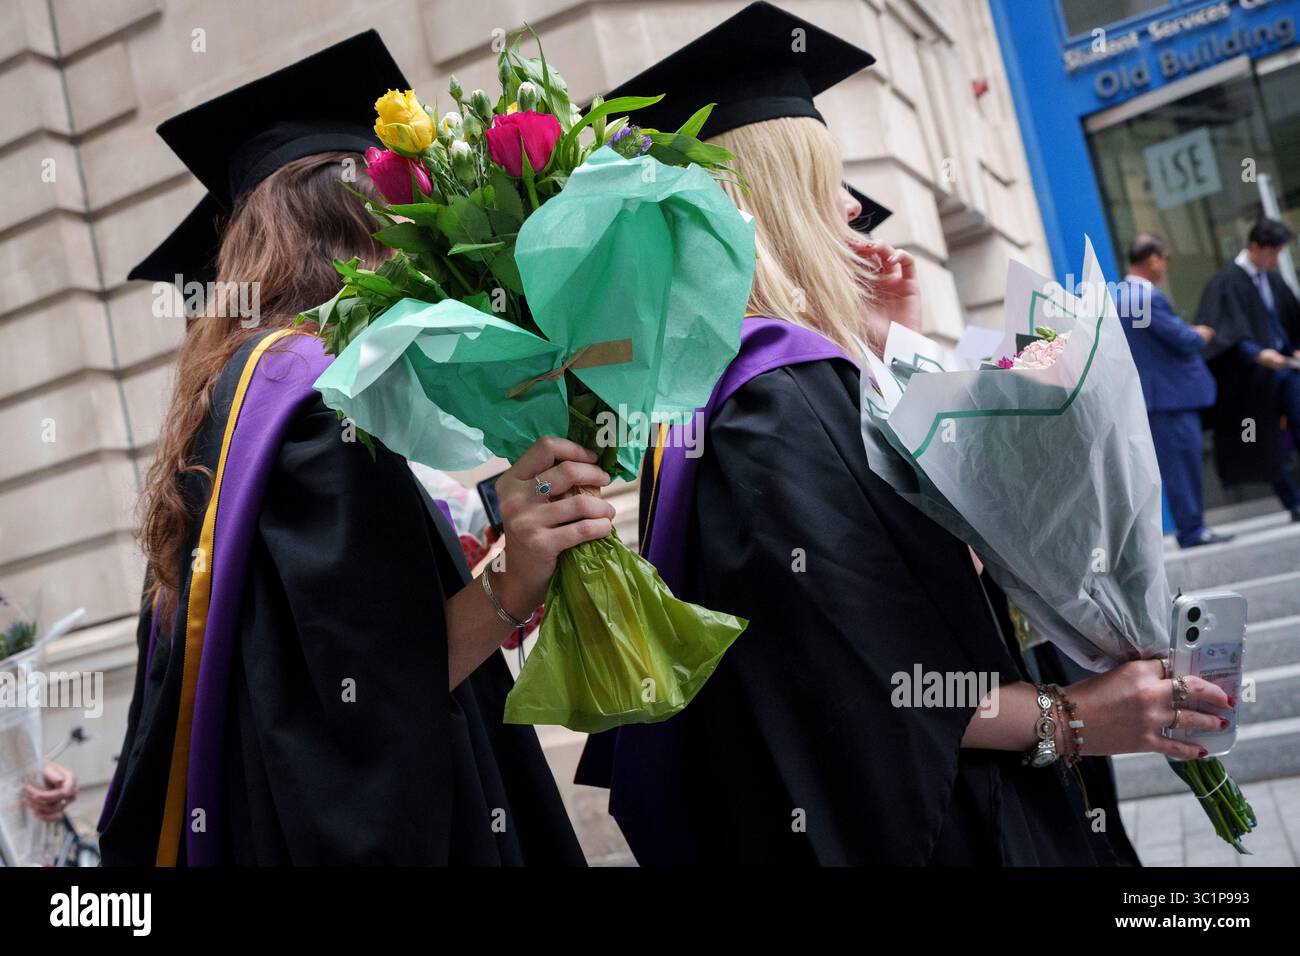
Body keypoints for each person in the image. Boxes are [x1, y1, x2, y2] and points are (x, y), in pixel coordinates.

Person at [576, 1, 1228, 866]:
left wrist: (891, 346)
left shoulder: (722, 396)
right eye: (822, 181)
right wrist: (1073, 720)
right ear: (765, 204)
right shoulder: (774, 407)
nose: (850, 205)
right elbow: (862, 681)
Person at [99, 31, 609, 866]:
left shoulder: (244, 391)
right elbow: (371, 692)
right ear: (361, 224)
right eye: (405, 217)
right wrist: (515, 581)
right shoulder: (313, 394)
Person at [1117, 234, 1229, 548]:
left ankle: (1194, 528)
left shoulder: (1125, 295)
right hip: (1169, 398)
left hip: (1161, 397)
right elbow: (1182, 339)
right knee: (1182, 465)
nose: (1164, 266)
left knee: (1179, 465)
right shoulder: (1143, 296)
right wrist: (1200, 334)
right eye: (1164, 259)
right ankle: (1193, 530)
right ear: (1153, 259)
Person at [1197, 217, 1300, 520]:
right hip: (1251, 378)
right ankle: (1293, 501)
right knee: (1267, 444)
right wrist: (1257, 354)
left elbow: (1291, 320)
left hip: (1287, 369)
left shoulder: (1274, 279)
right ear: (1254, 247)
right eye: (1272, 253)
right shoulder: (1226, 281)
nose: (1275, 259)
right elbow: (1223, 331)